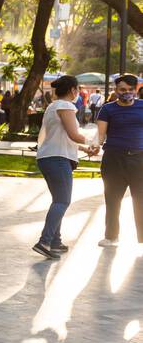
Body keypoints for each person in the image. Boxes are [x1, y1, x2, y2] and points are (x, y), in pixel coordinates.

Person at [33, 75, 99, 258]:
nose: (78, 93)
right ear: (72, 90)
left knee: (58, 201)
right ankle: (45, 241)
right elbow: (73, 134)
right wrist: (94, 141)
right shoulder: (66, 105)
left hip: (48, 157)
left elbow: (63, 136)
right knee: (62, 201)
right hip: (58, 159)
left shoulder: (53, 106)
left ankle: (55, 241)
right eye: (77, 89)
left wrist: (85, 148)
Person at [95, 73, 143, 249]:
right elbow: (100, 135)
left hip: (140, 159)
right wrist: (95, 145)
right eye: (123, 89)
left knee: (141, 200)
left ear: (136, 90)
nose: (127, 92)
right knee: (113, 199)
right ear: (116, 90)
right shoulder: (107, 109)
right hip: (114, 159)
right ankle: (111, 237)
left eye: (131, 89)